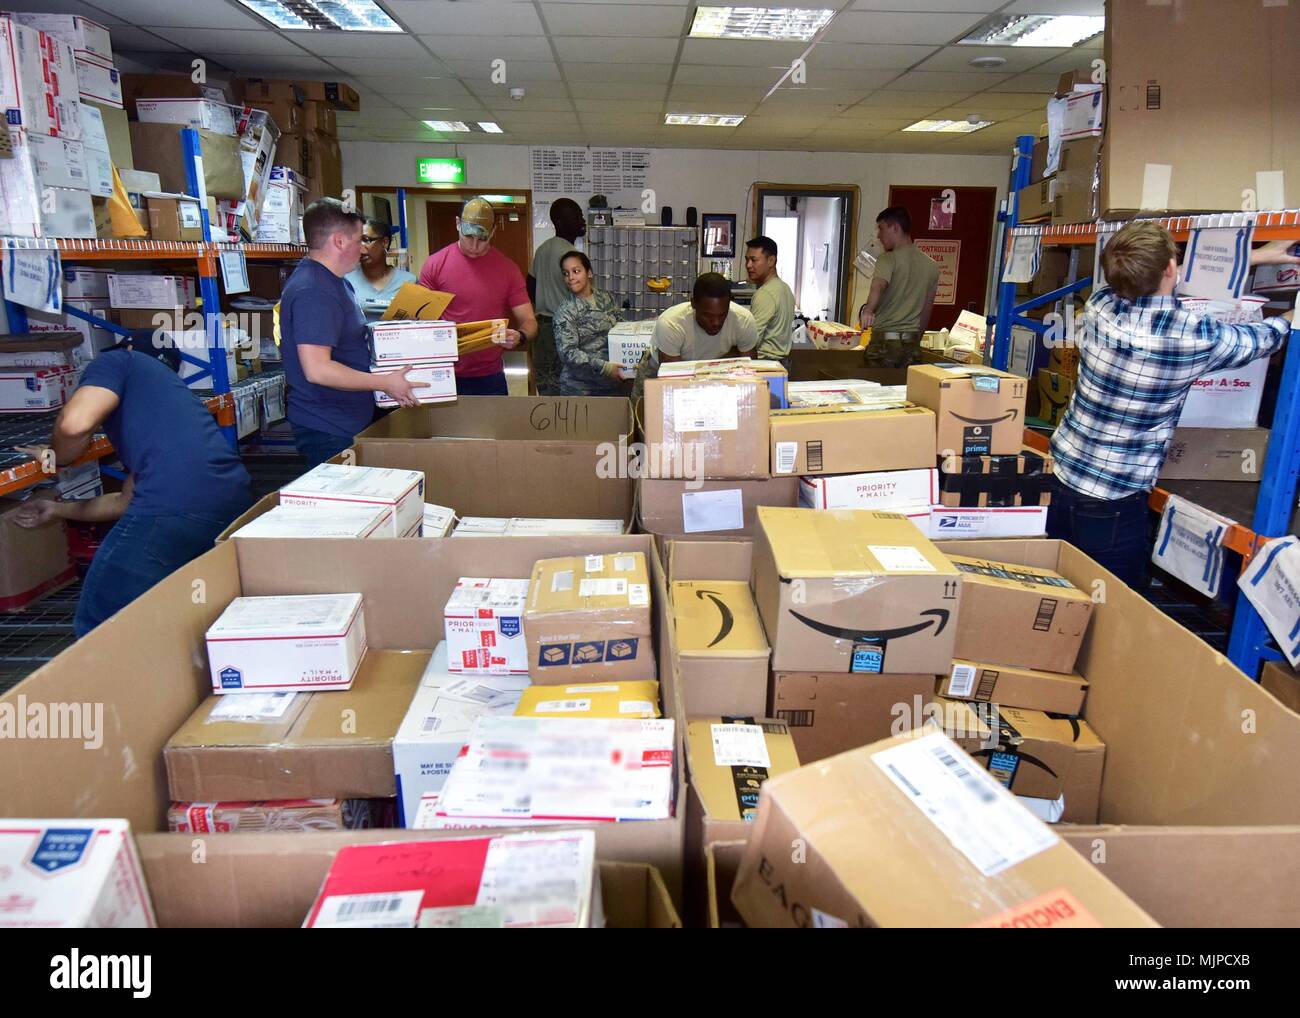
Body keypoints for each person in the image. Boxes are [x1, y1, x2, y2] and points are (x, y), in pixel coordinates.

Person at [1048, 222, 1297, 588]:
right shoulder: (1192, 336)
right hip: (1114, 502)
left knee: (1062, 590)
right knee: (1116, 611)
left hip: (1061, 482)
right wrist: (1292, 314)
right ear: (1170, 267)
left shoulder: (1101, 306)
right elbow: (1266, 337)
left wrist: (1257, 256)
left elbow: (1148, 279)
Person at [6, 342, 252, 638]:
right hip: (228, 501)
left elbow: (74, 425)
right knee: (185, 614)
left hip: (175, 507)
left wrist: (54, 456)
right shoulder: (170, 411)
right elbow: (125, 502)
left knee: (99, 624)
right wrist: (58, 509)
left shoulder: (118, 360)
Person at [281, 200, 425, 468]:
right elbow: (318, 370)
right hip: (327, 428)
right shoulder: (314, 291)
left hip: (344, 420)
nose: (362, 248)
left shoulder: (334, 281)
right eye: (359, 240)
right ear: (338, 241)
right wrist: (384, 382)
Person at [418, 196, 534, 396]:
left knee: (492, 428)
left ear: (493, 232)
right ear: (457, 224)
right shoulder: (435, 265)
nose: (473, 246)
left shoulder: (508, 269)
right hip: (445, 371)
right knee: (448, 429)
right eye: (468, 236)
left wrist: (520, 336)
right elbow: (420, 320)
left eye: (482, 239)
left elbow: (529, 321)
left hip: (490, 374)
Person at [858, 206, 939, 368]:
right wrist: (915, 342)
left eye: (881, 229)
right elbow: (926, 310)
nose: (879, 236)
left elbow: (878, 286)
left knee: (876, 391)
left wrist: (868, 310)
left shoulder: (887, 259)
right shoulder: (932, 265)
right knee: (905, 391)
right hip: (912, 346)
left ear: (895, 228)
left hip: (884, 346)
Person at [527, 198, 584, 396]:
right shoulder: (571, 255)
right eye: (576, 216)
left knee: (545, 385)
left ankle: (547, 425)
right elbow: (583, 297)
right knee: (568, 388)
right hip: (565, 330)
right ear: (559, 222)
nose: (582, 220)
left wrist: (545, 300)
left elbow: (530, 284)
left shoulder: (542, 250)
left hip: (542, 329)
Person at [554, 250, 626, 396]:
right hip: (580, 389)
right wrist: (605, 368)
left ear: (589, 273)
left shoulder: (605, 298)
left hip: (611, 385)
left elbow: (621, 327)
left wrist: (644, 327)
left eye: (576, 271)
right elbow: (568, 353)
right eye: (566, 273)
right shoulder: (565, 311)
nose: (570, 277)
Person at [652, 272, 758, 366]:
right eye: (708, 316)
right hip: (663, 369)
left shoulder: (743, 321)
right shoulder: (671, 324)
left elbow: (750, 370)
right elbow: (671, 378)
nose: (716, 322)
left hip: (715, 369)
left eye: (722, 315)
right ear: (693, 303)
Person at [345, 217, 416, 320]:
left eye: (366, 240)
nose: (360, 247)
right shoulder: (346, 280)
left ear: (385, 242)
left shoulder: (409, 281)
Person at [744, 235, 795, 364]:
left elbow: (751, 341)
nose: (748, 265)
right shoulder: (785, 288)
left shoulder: (765, 293)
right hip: (782, 362)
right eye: (747, 260)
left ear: (771, 261)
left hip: (766, 364)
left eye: (754, 260)